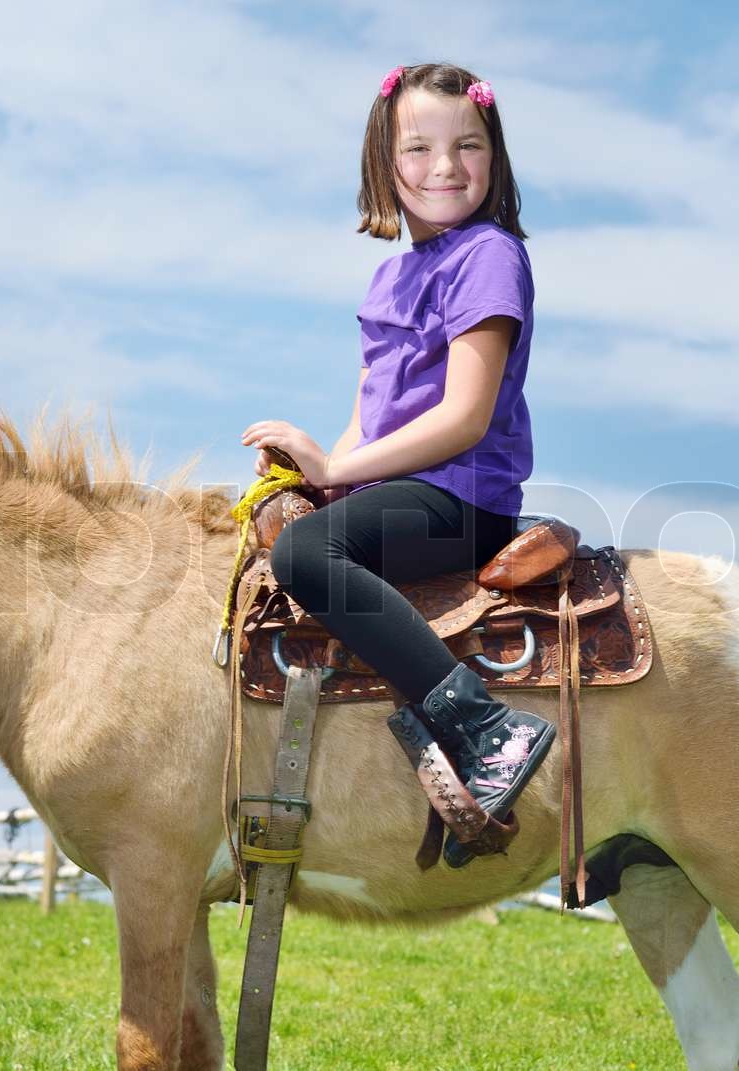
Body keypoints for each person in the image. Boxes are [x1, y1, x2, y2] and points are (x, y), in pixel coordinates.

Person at [239, 62, 552, 869]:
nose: (445, 167)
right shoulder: (391, 275)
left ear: (496, 157)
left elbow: (462, 417)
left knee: (305, 554)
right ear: (384, 163)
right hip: (402, 486)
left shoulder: (486, 256)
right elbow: (370, 414)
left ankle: (485, 723)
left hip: (460, 495)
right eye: (418, 148)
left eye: (468, 145)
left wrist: (337, 468)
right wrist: (321, 471)